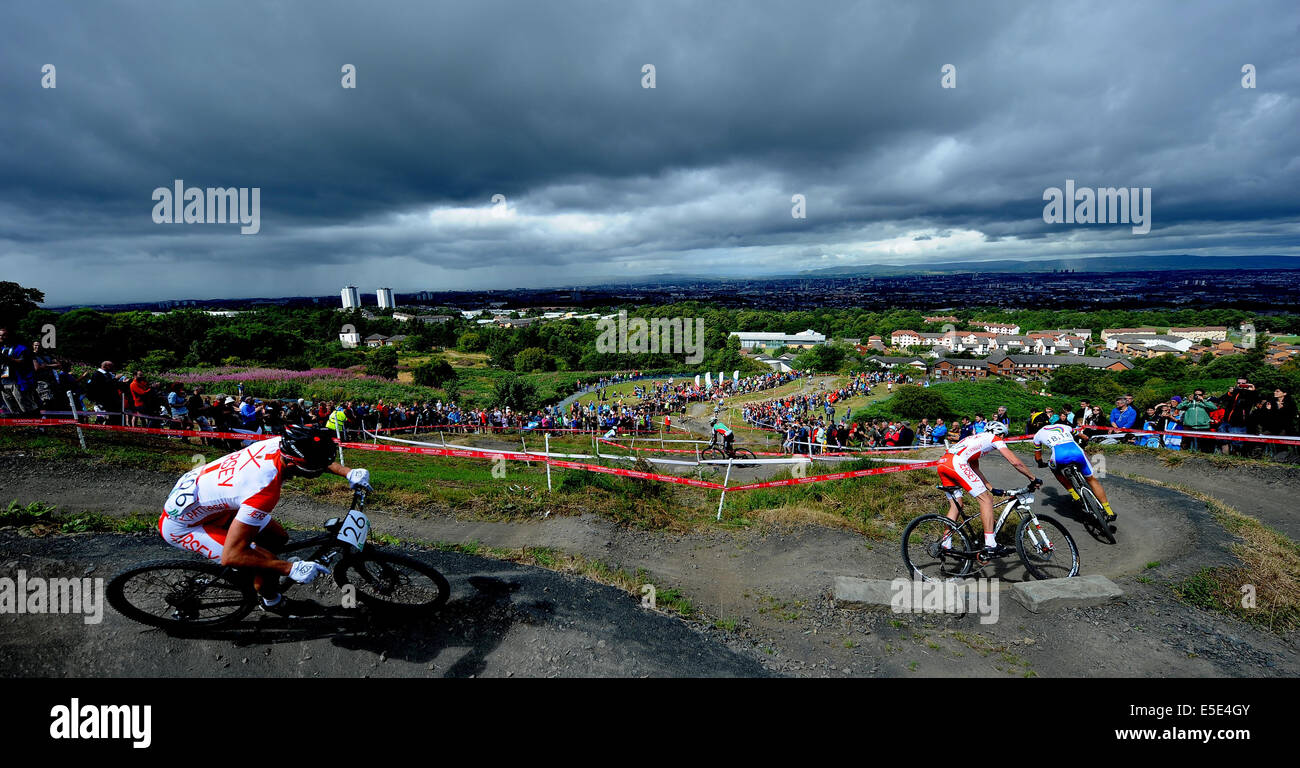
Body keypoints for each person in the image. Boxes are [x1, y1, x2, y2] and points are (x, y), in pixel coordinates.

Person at [158, 425, 371, 615]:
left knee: (277, 538)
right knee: (264, 563)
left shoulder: (282, 444)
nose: (323, 468)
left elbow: (311, 457)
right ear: (297, 465)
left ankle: (254, 577)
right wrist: (288, 569)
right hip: (184, 526)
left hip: (208, 502)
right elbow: (231, 554)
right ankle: (272, 601)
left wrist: (348, 472)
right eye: (317, 467)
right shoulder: (263, 492)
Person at [937, 421, 1040, 557]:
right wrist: (1033, 478)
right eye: (1003, 437)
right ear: (1001, 434)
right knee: (986, 500)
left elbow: (974, 469)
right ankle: (991, 543)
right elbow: (1015, 462)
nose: (1003, 440)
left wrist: (991, 488)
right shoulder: (994, 438)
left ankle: (946, 543)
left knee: (956, 505)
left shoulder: (973, 439)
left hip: (943, 463)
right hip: (956, 463)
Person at [1032, 422, 1116, 523]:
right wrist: (1085, 441)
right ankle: (1109, 511)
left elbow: (1038, 458)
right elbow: (1084, 436)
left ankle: (1074, 494)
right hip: (1077, 452)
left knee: (1054, 469)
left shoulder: (1038, 435)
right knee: (1092, 480)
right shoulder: (1063, 426)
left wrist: (1041, 463)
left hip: (1059, 455)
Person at [0, 327, 40, 418]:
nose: (1, 337)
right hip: (4, 382)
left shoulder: (21, 349)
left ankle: (39, 426)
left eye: (4, 335)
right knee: (13, 409)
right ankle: (23, 429)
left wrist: (5, 358)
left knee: (27, 406)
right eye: (0, 335)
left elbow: (22, 363)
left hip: (18, 382)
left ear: (10, 336)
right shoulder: (2, 348)